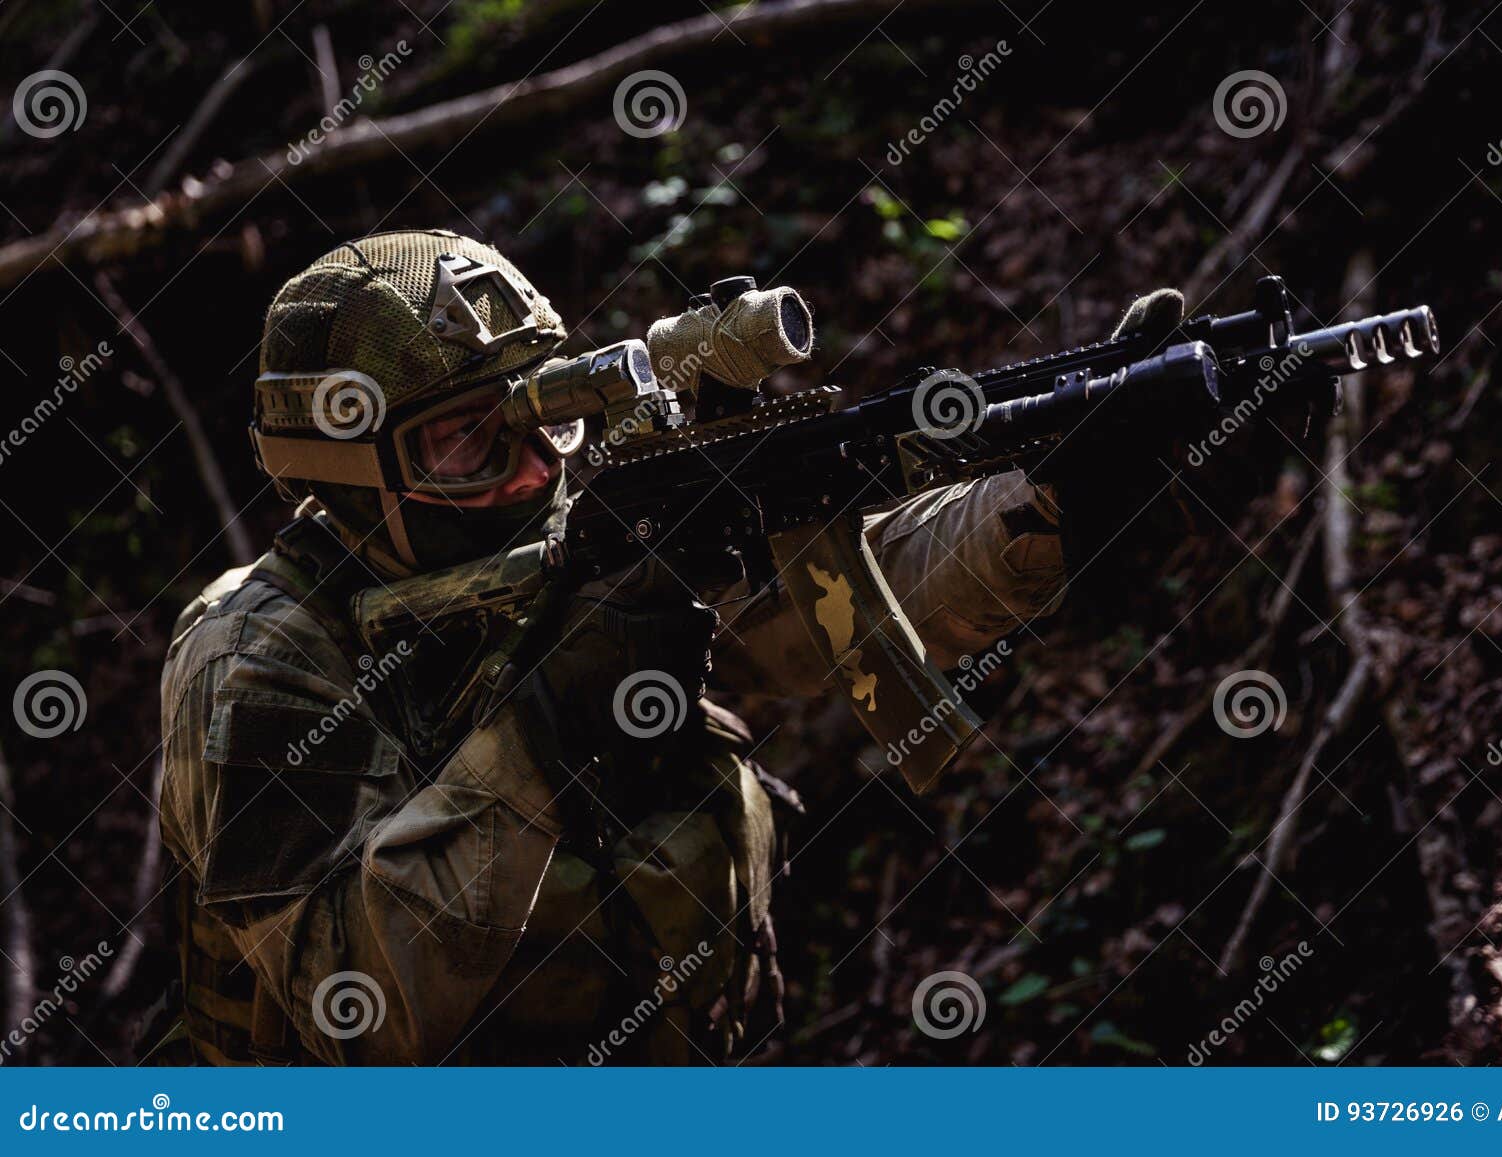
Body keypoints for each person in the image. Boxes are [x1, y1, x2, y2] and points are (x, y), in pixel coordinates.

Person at [157, 228, 1178, 1064]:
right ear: (342, 471)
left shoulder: (582, 554)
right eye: (465, 442)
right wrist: (550, 722)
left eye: (544, 412)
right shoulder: (253, 654)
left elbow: (830, 605)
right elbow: (358, 1003)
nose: (531, 472)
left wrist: (1044, 504)